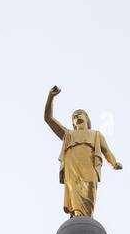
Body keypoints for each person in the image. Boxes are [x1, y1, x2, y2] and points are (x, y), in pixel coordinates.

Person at [44, 85, 122, 218]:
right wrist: (50, 97)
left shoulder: (96, 134)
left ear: (87, 118)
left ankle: (86, 219)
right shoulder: (68, 135)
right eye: (74, 116)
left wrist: (114, 163)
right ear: (73, 123)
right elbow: (48, 118)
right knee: (75, 194)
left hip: (89, 168)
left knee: (90, 187)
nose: (77, 116)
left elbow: (106, 151)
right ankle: (77, 216)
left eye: (80, 114)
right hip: (73, 169)